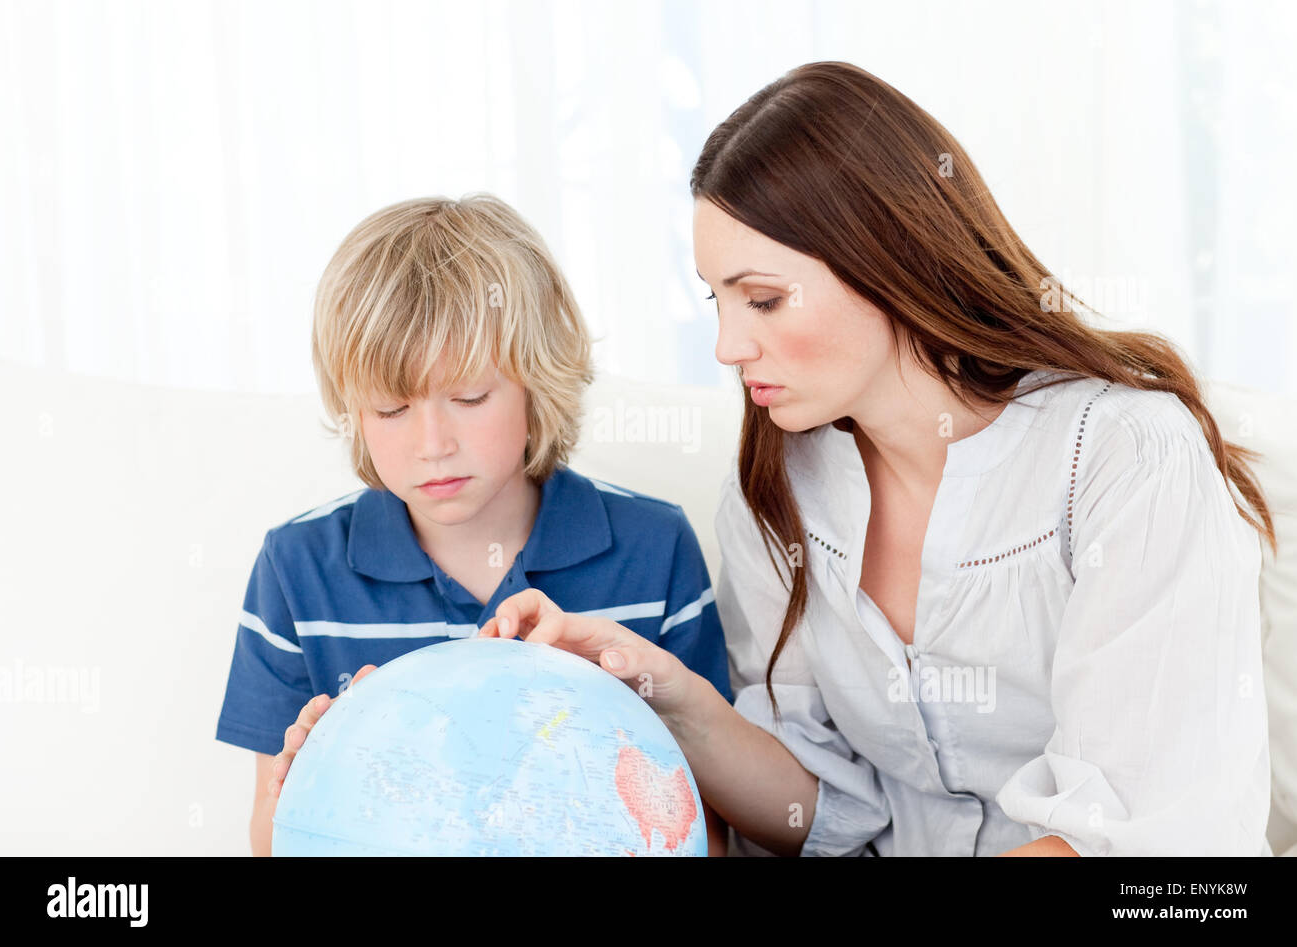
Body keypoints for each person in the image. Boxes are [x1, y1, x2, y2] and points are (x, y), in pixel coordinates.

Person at [479, 61, 1279, 857]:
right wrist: (661, 693)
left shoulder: (1124, 458)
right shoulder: (778, 486)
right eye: (715, 300)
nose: (728, 345)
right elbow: (819, 810)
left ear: (887, 258)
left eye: (762, 299)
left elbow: (1142, 838)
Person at [214, 194, 733, 856]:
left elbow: (705, 832)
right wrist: (303, 774)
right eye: (391, 407)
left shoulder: (652, 548)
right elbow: (272, 840)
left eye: (469, 398)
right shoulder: (297, 568)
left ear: (537, 384)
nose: (432, 443)